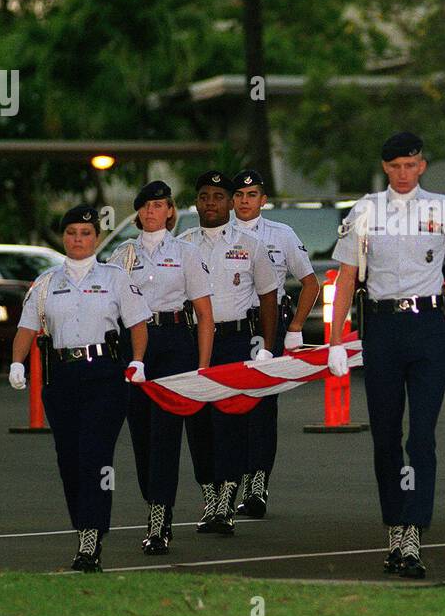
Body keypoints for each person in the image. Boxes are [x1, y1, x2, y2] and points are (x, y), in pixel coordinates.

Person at [325, 132, 445, 579]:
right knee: (384, 435)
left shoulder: (444, 209)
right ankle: (394, 527)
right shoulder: (366, 210)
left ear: (422, 166)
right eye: (395, 166)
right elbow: (347, 278)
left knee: (421, 437)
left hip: (427, 328)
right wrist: (336, 339)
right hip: (380, 327)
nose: (403, 174)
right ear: (385, 168)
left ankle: (414, 531)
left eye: (411, 165)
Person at [8, 205, 150, 572]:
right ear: (62, 237)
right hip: (63, 377)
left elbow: (137, 323)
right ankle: (82, 529)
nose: (78, 240)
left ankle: (91, 537)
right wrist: (16, 362)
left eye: (85, 233)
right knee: (69, 460)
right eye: (71, 233)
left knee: (94, 456)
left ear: (97, 238)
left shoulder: (116, 276)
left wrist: (138, 360)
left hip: (104, 375)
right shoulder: (46, 282)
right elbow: (27, 327)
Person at [109, 180, 215, 555]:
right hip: (135, 344)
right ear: (138, 213)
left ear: (171, 211)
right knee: (140, 431)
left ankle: (159, 519)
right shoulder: (123, 255)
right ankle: (154, 502)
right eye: (146, 207)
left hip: (174, 342)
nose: (152, 212)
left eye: (159, 206)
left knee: (166, 432)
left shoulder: (186, 252)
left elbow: (204, 313)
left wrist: (202, 367)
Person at [176, 171, 279, 535]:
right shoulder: (183, 244)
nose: (211, 203)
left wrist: (267, 346)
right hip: (194, 340)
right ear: (196, 202)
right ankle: (210, 495)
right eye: (204, 196)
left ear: (230, 202)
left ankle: (226, 502)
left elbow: (269, 298)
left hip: (236, 340)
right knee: (198, 421)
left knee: (229, 422)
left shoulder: (250, 244)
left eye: (218, 197)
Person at [230, 168, 319, 518]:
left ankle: (257, 484)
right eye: (239, 195)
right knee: (230, 403)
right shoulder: (221, 234)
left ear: (263, 200)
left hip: (266, 325)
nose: (245, 201)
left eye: (252, 195)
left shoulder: (281, 234)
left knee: (262, 405)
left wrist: (296, 325)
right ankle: (229, 483)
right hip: (230, 327)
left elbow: (310, 283)